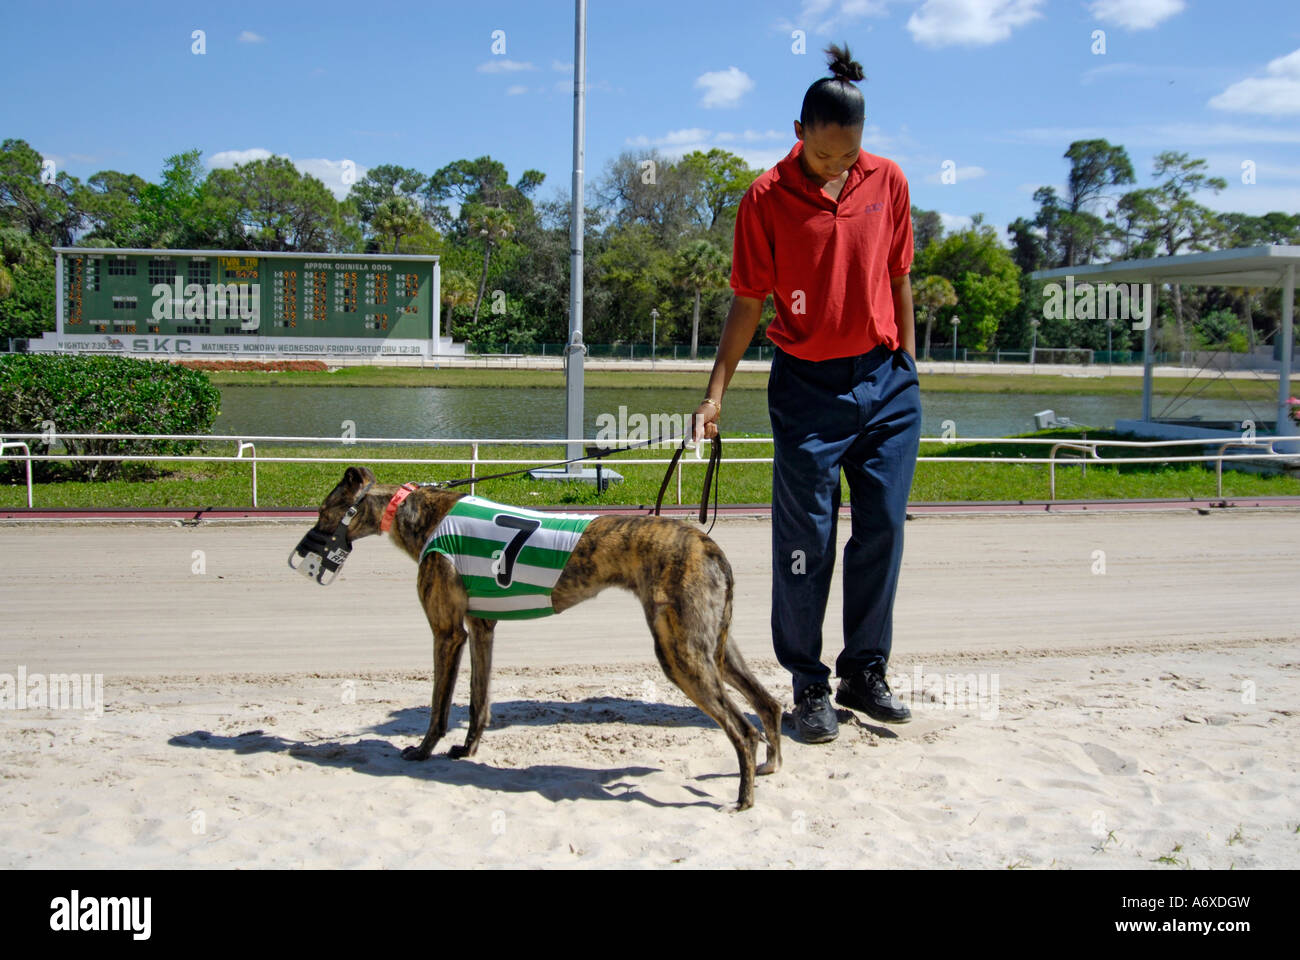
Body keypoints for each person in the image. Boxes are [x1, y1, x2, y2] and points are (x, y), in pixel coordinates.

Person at [692, 42, 922, 743]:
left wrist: (909, 367)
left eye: (848, 154)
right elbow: (745, 301)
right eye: (824, 155)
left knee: (881, 528)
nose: (837, 167)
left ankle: (864, 671)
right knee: (806, 543)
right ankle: (808, 685)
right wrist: (715, 392)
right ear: (798, 134)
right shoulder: (765, 198)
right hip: (806, 391)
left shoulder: (889, 183)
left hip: (885, 385)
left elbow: (900, 277)